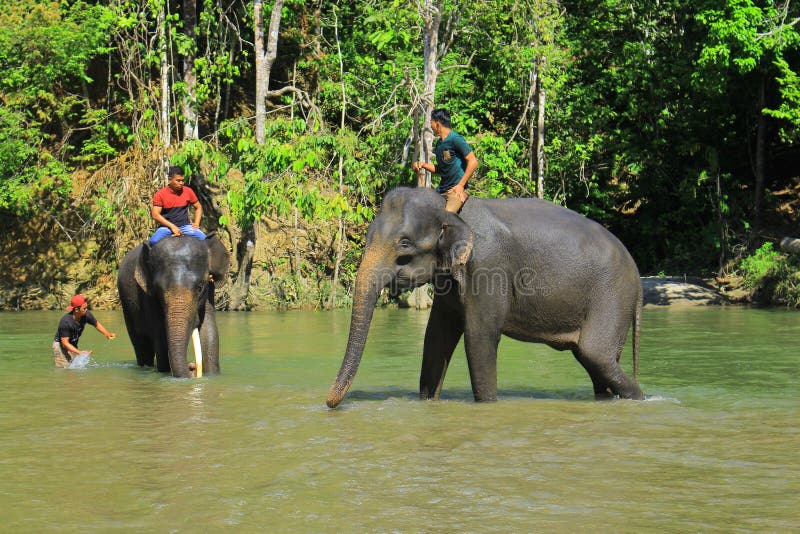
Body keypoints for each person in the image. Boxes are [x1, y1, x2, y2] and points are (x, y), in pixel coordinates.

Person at [412, 108, 479, 213]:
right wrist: (423, 165)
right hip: (441, 190)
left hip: (455, 191)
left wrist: (461, 185)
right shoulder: (439, 144)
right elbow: (442, 169)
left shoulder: (455, 139)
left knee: (446, 217)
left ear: (437, 124)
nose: (431, 126)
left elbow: (473, 161)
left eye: (431, 122)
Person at [148, 165, 206, 246]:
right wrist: (172, 227)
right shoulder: (160, 194)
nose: (181, 183)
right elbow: (155, 215)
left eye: (182, 180)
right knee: (153, 241)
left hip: (185, 227)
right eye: (178, 181)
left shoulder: (188, 191)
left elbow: (198, 207)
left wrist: (196, 223)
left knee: (204, 239)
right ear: (170, 180)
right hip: (166, 228)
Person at [52, 294, 116, 368]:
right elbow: (65, 343)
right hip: (60, 346)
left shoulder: (86, 315)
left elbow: (96, 324)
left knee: (75, 367)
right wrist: (79, 352)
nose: (86, 310)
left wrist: (107, 334)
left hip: (72, 344)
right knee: (64, 369)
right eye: (84, 308)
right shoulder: (65, 322)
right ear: (76, 310)